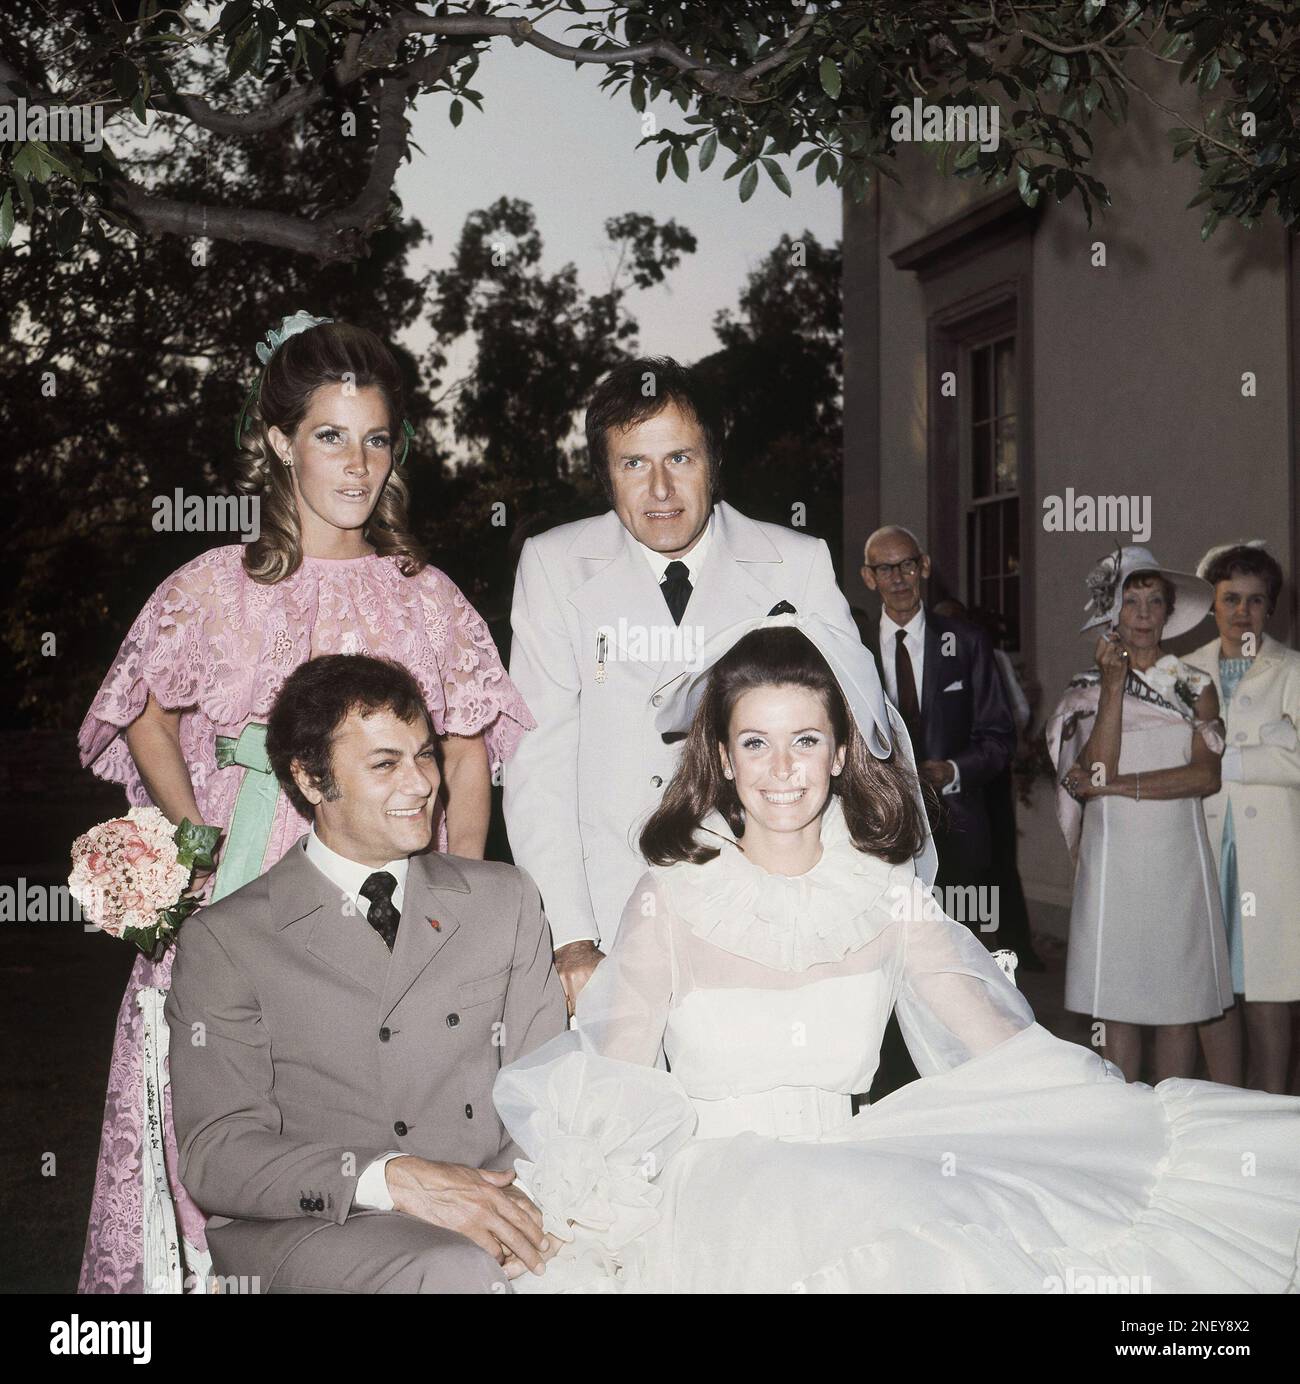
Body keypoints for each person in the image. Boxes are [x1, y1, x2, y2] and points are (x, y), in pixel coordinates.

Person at [490, 612, 1300, 1294]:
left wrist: (1115, 1115)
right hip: (706, 1200)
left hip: (856, 1172)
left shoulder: (884, 892)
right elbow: (617, 1077)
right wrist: (581, 1215)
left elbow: (998, 1044)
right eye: (756, 744)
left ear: (842, 752)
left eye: (805, 740)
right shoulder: (672, 894)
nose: (782, 771)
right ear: (725, 759)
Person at [75, 313, 533, 1292]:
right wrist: (193, 834)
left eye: (377, 438)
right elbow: (142, 708)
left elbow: (464, 756)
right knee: (227, 1121)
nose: (357, 463)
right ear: (280, 441)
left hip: (385, 878)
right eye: (330, 434)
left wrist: (462, 899)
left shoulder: (429, 596)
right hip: (247, 871)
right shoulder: (212, 583)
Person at [166, 654, 567, 1292]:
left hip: (504, 1198)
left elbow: (552, 1091)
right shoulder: (229, 938)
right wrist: (389, 1178)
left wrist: (507, 1204)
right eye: (385, 764)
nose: (421, 785)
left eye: (426, 755)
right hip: (319, 1229)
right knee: (454, 1270)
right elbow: (217, 1156)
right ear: (312, 779)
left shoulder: (504, 899)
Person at [503, 356, 870, 1015]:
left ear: (715, 458)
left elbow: (853, 746)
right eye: (633, 464)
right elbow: (539, 764)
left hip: (761, 911)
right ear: (604, 473)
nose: (661, 490)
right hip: (613, 917)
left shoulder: (798, 562)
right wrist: (571, 937)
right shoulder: (554, 566)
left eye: (681, 458)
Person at [1046, 546, 1231, 1084]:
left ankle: (1173, 1119)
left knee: (1178, 1003)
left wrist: (1121, 788)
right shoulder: (1084, 690)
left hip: (1176, 853)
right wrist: (1111, 687)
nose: (1145, 614)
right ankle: (1124, 1129)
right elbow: (1095, 770)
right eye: (1132, 602)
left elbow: (1205, 776)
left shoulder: (1195, 686)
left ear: (1169, 612)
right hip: (1115, 854)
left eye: (1155, 601)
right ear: (1113, 614)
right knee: (1119, 1001)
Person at [857, 525, 1015, 1100]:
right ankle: (893, 1096)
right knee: (883, 964)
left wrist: (951, 772)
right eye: (884, 569)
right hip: (874, 842)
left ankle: (971, 1093)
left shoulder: (966, 643)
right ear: (868, 577)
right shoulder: (848, 647)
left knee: (959, 963)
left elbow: (1000, 736)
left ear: (924, 567)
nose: (897, 578)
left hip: (960, 838)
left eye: (907, 565)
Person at [1187, 542, 1300, 1093]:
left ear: (1271, 608)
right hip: (1205, 849)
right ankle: (1228, 1112)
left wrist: (1223, 755)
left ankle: (1276, 1116)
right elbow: (1173, 759)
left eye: (1256, 601)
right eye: (1230, 599)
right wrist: (1275, 746)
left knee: (1271, 987)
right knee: (1214, 984)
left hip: (1272, 856)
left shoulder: (1292, 671)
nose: (1242, 612)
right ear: (1213, 605)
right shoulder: (1184, 673)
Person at [932, 598, 1044, 972]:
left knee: (997, 860)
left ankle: (1012, 946)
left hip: (987, 776)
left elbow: (1017, 713)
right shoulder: (923, 660)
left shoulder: (988, 657)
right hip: (941, 783)